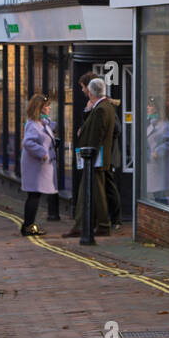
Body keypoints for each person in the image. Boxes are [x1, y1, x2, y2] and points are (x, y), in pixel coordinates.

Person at [64, 77, 114, 237]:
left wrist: (88, 155)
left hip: (94, 158)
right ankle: (96, 225)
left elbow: (96, 135)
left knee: (91, 192)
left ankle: (87, 226)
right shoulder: (104, 106)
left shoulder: (100, 109)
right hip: (97, 157)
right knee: (95, 192)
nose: (83, 91)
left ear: (91, 91)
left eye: (85, 89)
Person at [78, 70, 123, 231]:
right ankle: (100, 220)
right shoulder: (95, 106)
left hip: (105, 154)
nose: (83, 91)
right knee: (102, 187)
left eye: (84, 87)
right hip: (100, 154)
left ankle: (114, 219)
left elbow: (115, 129)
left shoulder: (103, 107)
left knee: (108, 186)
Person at [19, 93, 57, 236]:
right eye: (47, 106)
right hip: (34, 166)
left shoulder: (40, 123)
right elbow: (27, 142)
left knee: (35, 194)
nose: (49, 108)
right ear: (40, 108)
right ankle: (28, 227)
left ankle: (28, 225)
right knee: (34, 195)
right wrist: (43, 153)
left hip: (38, 166)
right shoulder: (33, 125)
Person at [145, 96, 169, 201]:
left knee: (161, 197)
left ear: (156, 108)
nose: (147, 107)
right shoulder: (150, 122)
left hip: (160, 166)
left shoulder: (165, 124)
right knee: (156, 197)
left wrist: (158, 151)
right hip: (151, 166)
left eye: (150, 106)